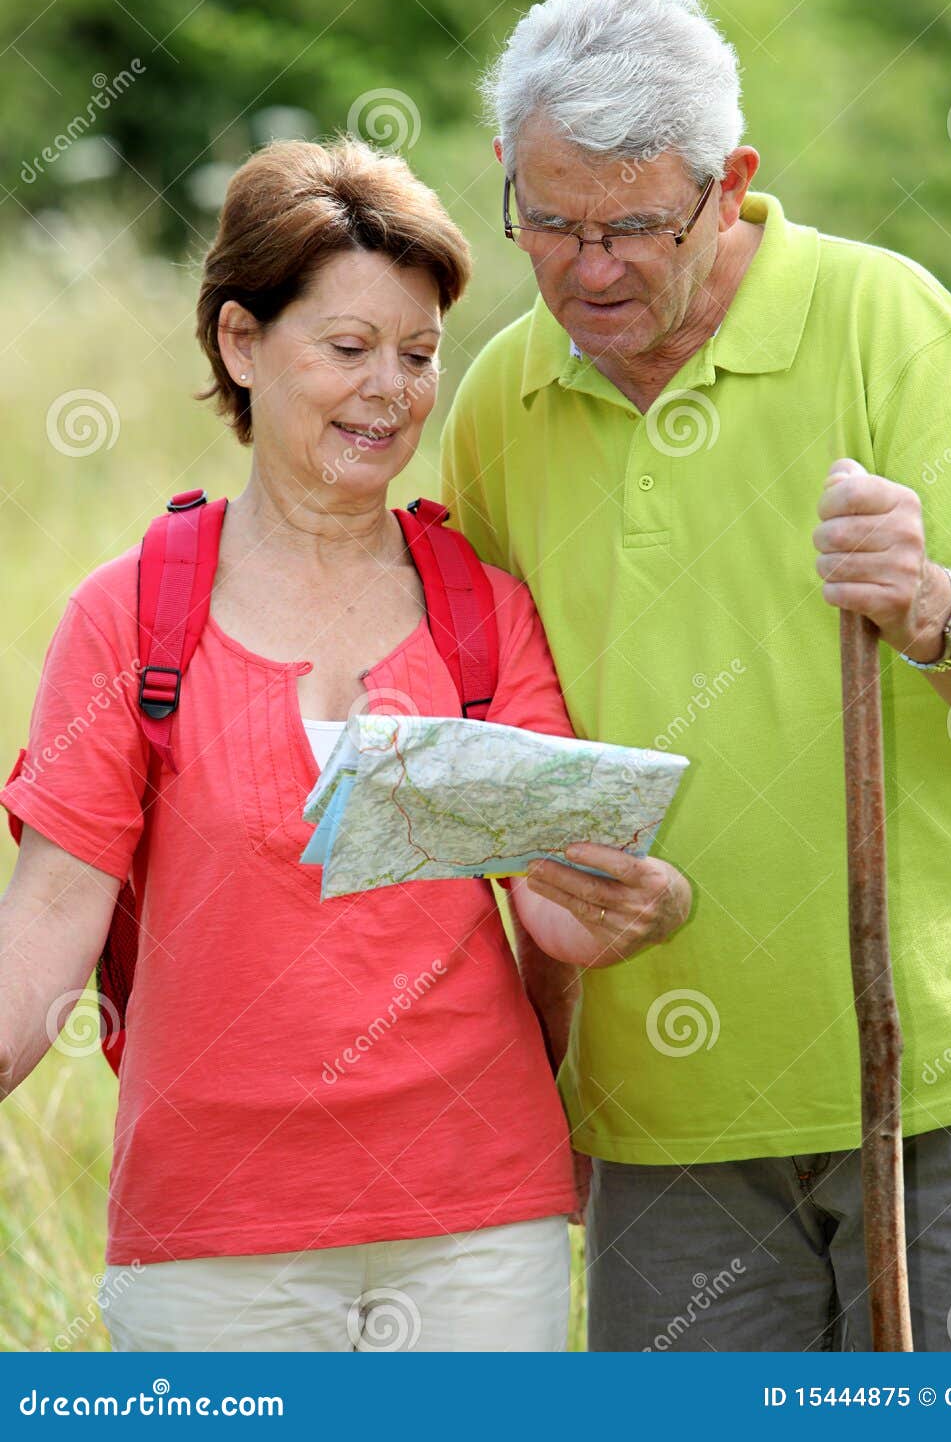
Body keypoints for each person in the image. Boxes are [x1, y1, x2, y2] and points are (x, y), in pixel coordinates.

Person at [439, 0, 951, 1352]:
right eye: (546, 222)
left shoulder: (882, 322)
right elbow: (481, 725)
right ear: (505, 178)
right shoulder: (498, 401)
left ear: (729, 183)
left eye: (631, 227)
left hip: (937, 1078)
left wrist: (933, 603)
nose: (586, 269)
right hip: (662, 1109)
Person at [0, 135, 691, 1353]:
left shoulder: (480, 607)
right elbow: (48, 928)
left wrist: (645, 897)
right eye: (349, 347)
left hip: (480, 1219)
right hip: (214, 1234)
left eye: (419, 355)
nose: (392, 390)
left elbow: (558, 911)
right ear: (239, 343)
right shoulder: (131, 618)